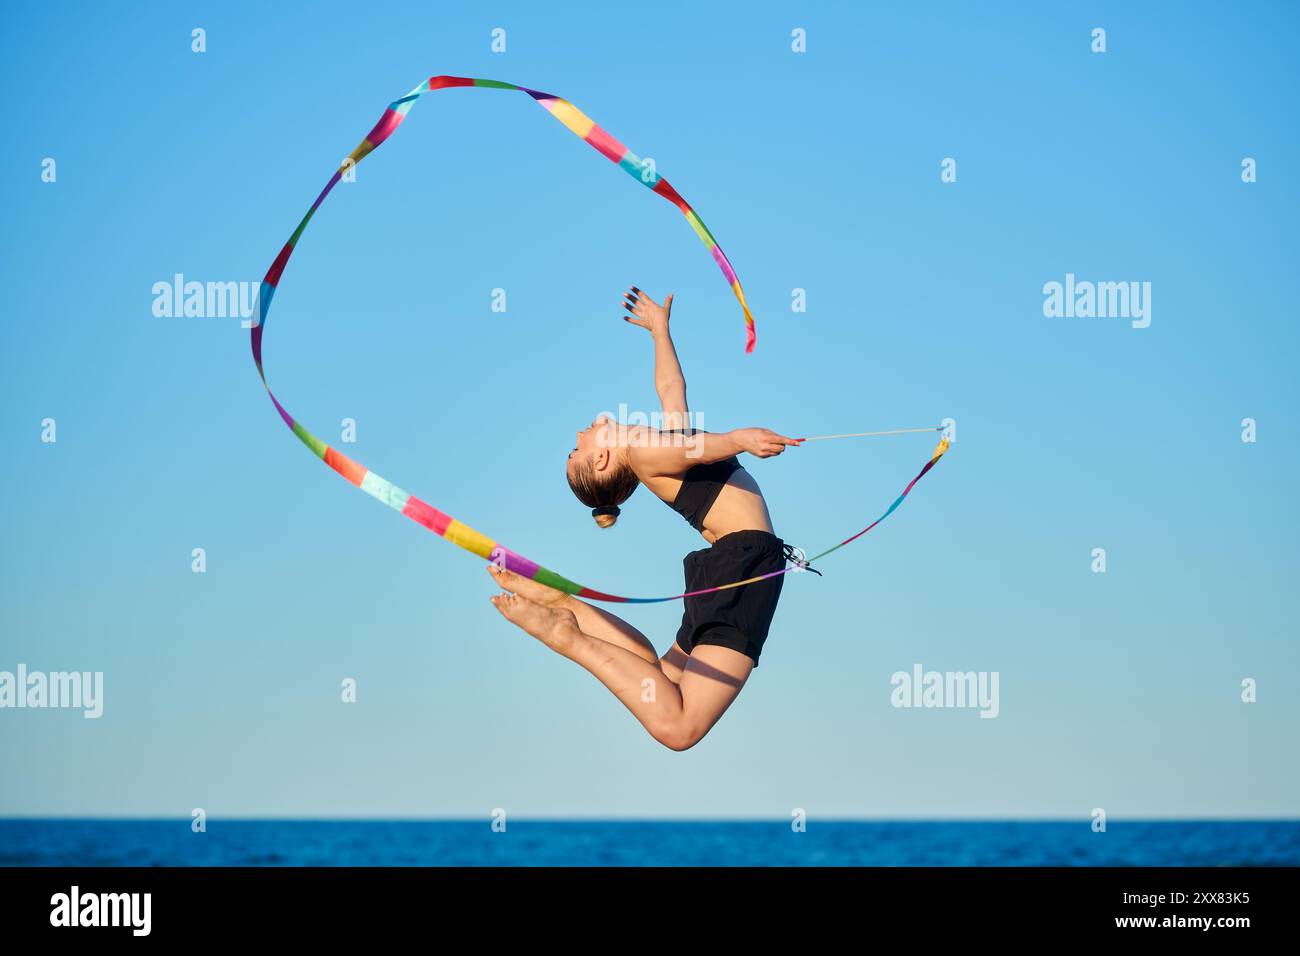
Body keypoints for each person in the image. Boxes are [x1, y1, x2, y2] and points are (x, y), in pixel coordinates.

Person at [488, 287, 800, 750]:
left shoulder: (650, 446)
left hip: (727, 566)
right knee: (679, 726)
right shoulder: (643, 451)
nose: (578, 434)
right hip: (740, 568)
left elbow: (672, 390)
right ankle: (567, 637)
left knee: (655, 680)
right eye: (577, 449)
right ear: (600, 462)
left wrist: (659, 332)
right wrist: (738, 438)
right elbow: (697, 446)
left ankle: (567, 608)